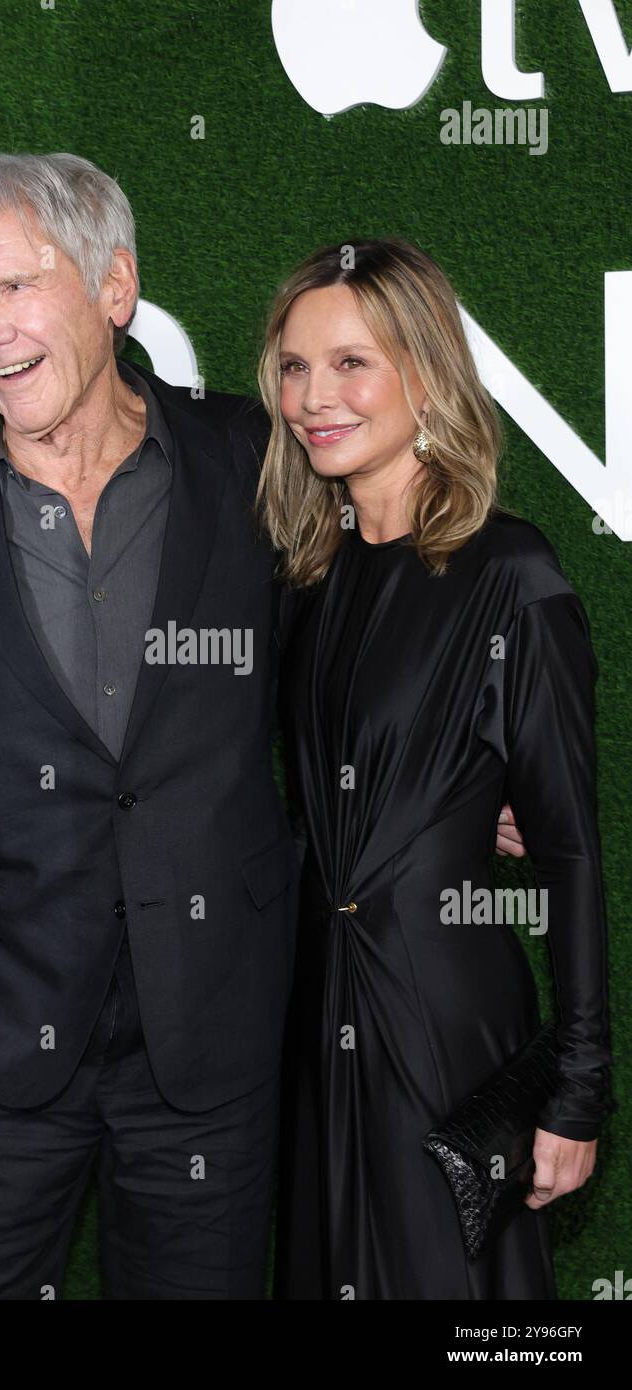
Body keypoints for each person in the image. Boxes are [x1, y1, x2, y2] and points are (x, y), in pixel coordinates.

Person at [0, 157, 521, 1300]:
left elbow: (359, 644)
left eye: (13, 286)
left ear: (114, 287)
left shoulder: (251, 461)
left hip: (207, 1036)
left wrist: (454, 780)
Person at [258, 238, 614, 1300]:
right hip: (313, 1021)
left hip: (445, 1025)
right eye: (290, 366)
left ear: (426, 373)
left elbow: (567, 853)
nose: (312, 397)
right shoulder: (304, 581)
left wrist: (577, 1089)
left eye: (350, 363)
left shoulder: (513, 575)